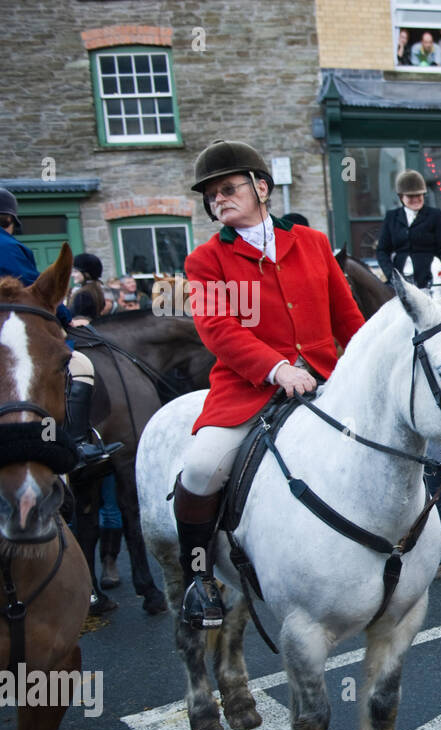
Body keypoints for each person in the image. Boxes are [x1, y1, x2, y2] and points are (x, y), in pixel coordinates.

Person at [174, 140, 365, 629]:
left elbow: (348, 320)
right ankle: (200, 579)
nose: (218, 199)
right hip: (248, 390)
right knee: (199, 468)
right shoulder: (206, 260)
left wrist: (366, 368)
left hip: (326, 381)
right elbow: (218, 329)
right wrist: (276, 368)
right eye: (211, 195)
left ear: (261, 186)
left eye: (228, 188)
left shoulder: (313, 242)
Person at [0, 189, 116, 476]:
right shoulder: (9, 247)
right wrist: (67, 317)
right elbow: (38, 293)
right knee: (80, 366)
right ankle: (75, 443)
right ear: (10, 221)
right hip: (13, 326)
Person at [375, 169, 441, 289]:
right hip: (400, 279)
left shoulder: (435, 215)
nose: (416, 199)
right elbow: (382, 251)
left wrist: (439, 273)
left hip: (430, 278)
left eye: (419, 195)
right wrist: (391, 275)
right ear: (401, 197)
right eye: (411, 196)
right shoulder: (392, 217)